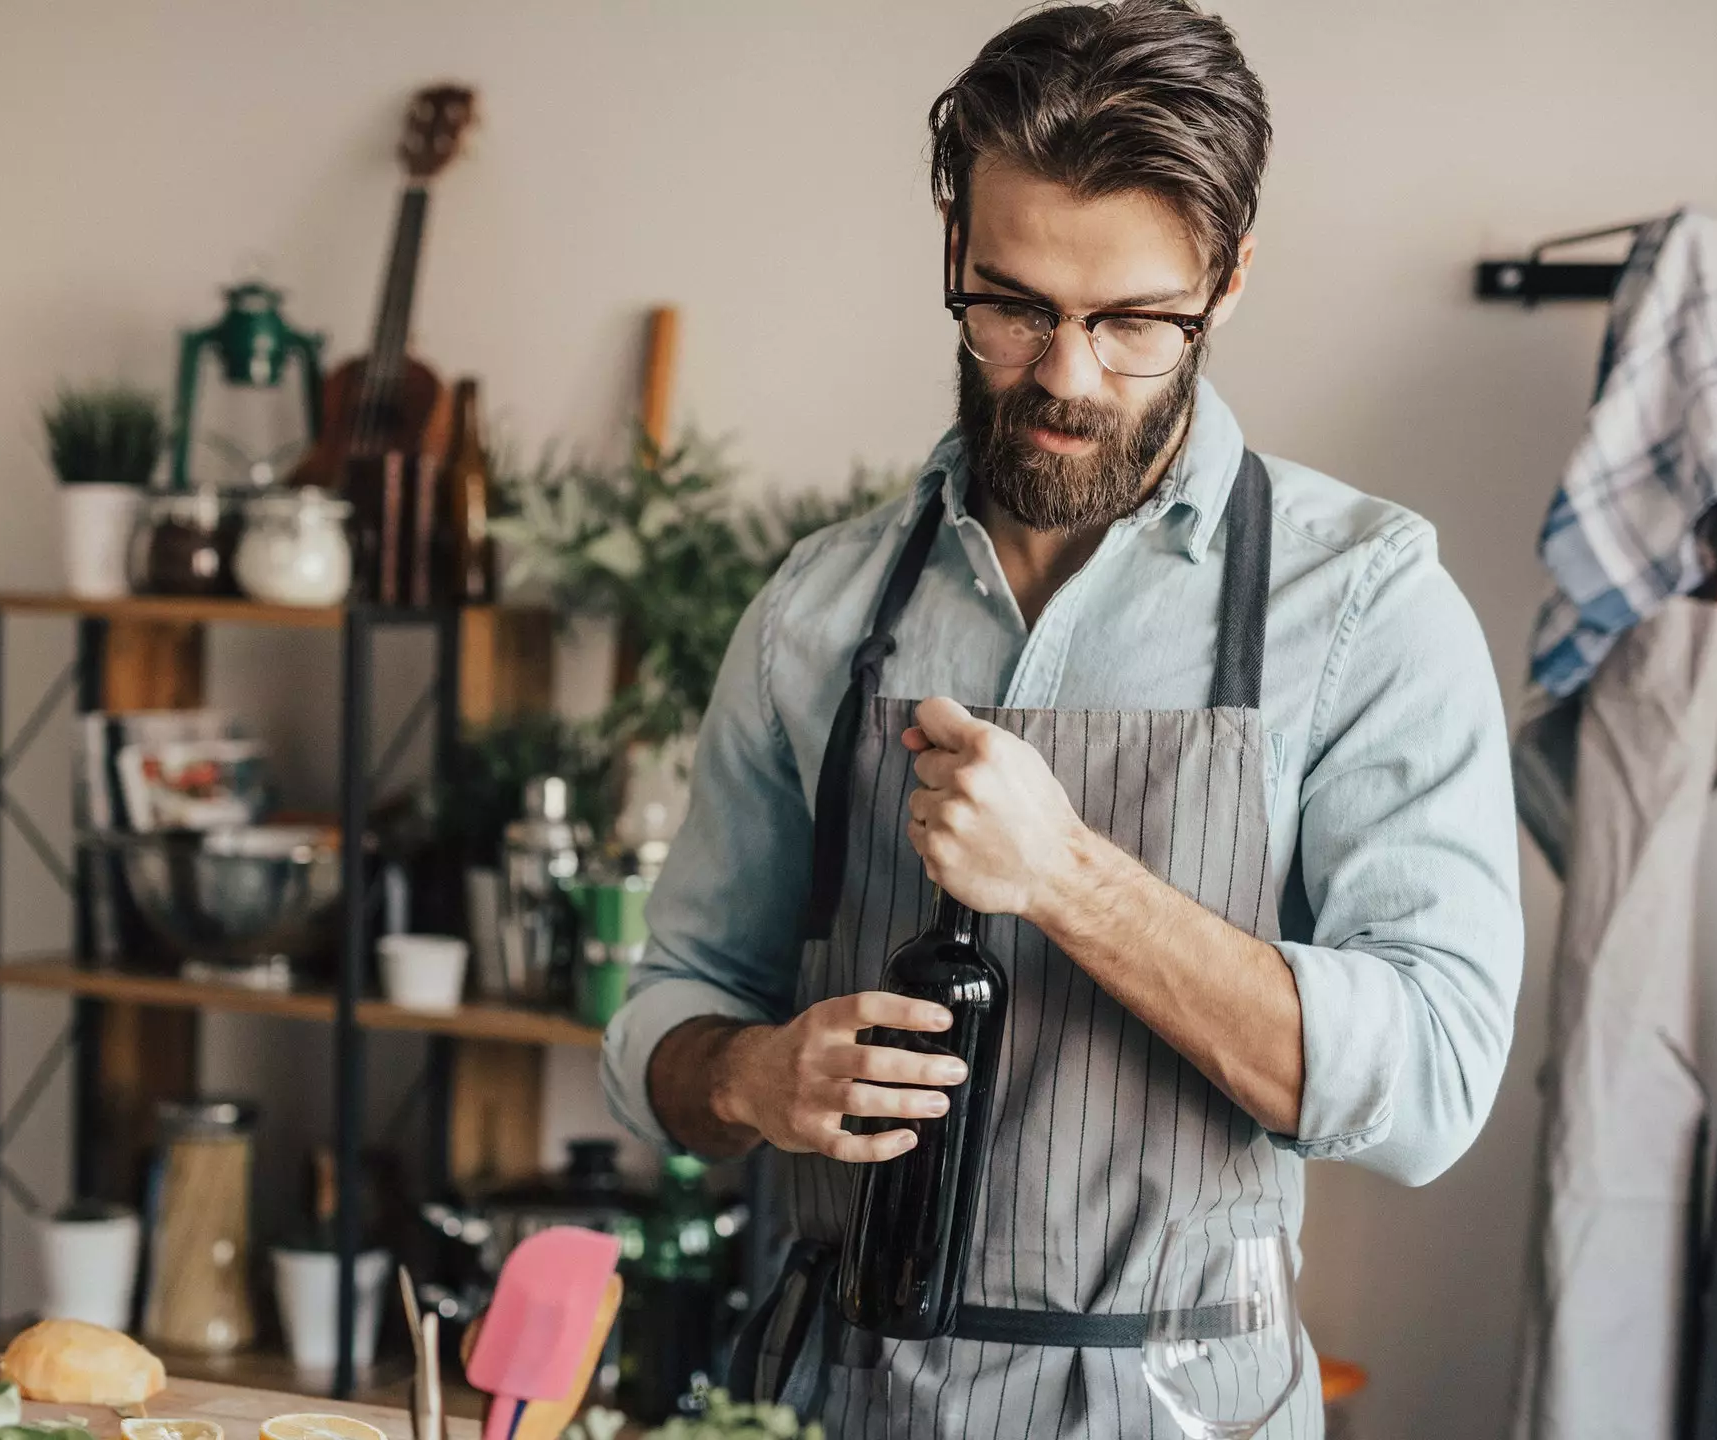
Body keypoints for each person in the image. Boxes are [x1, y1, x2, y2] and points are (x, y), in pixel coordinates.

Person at [599, 2, 1522, 1436]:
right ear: (955, 254)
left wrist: (1073, 880)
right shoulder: (818, 612)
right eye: (1013, 305)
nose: (1067, 376)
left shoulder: (1364, 608)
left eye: (1134, 323)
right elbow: (665, 1009)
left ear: (1228, 282)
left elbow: (1436, 1087)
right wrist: (747, 1074)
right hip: (835, 1397)